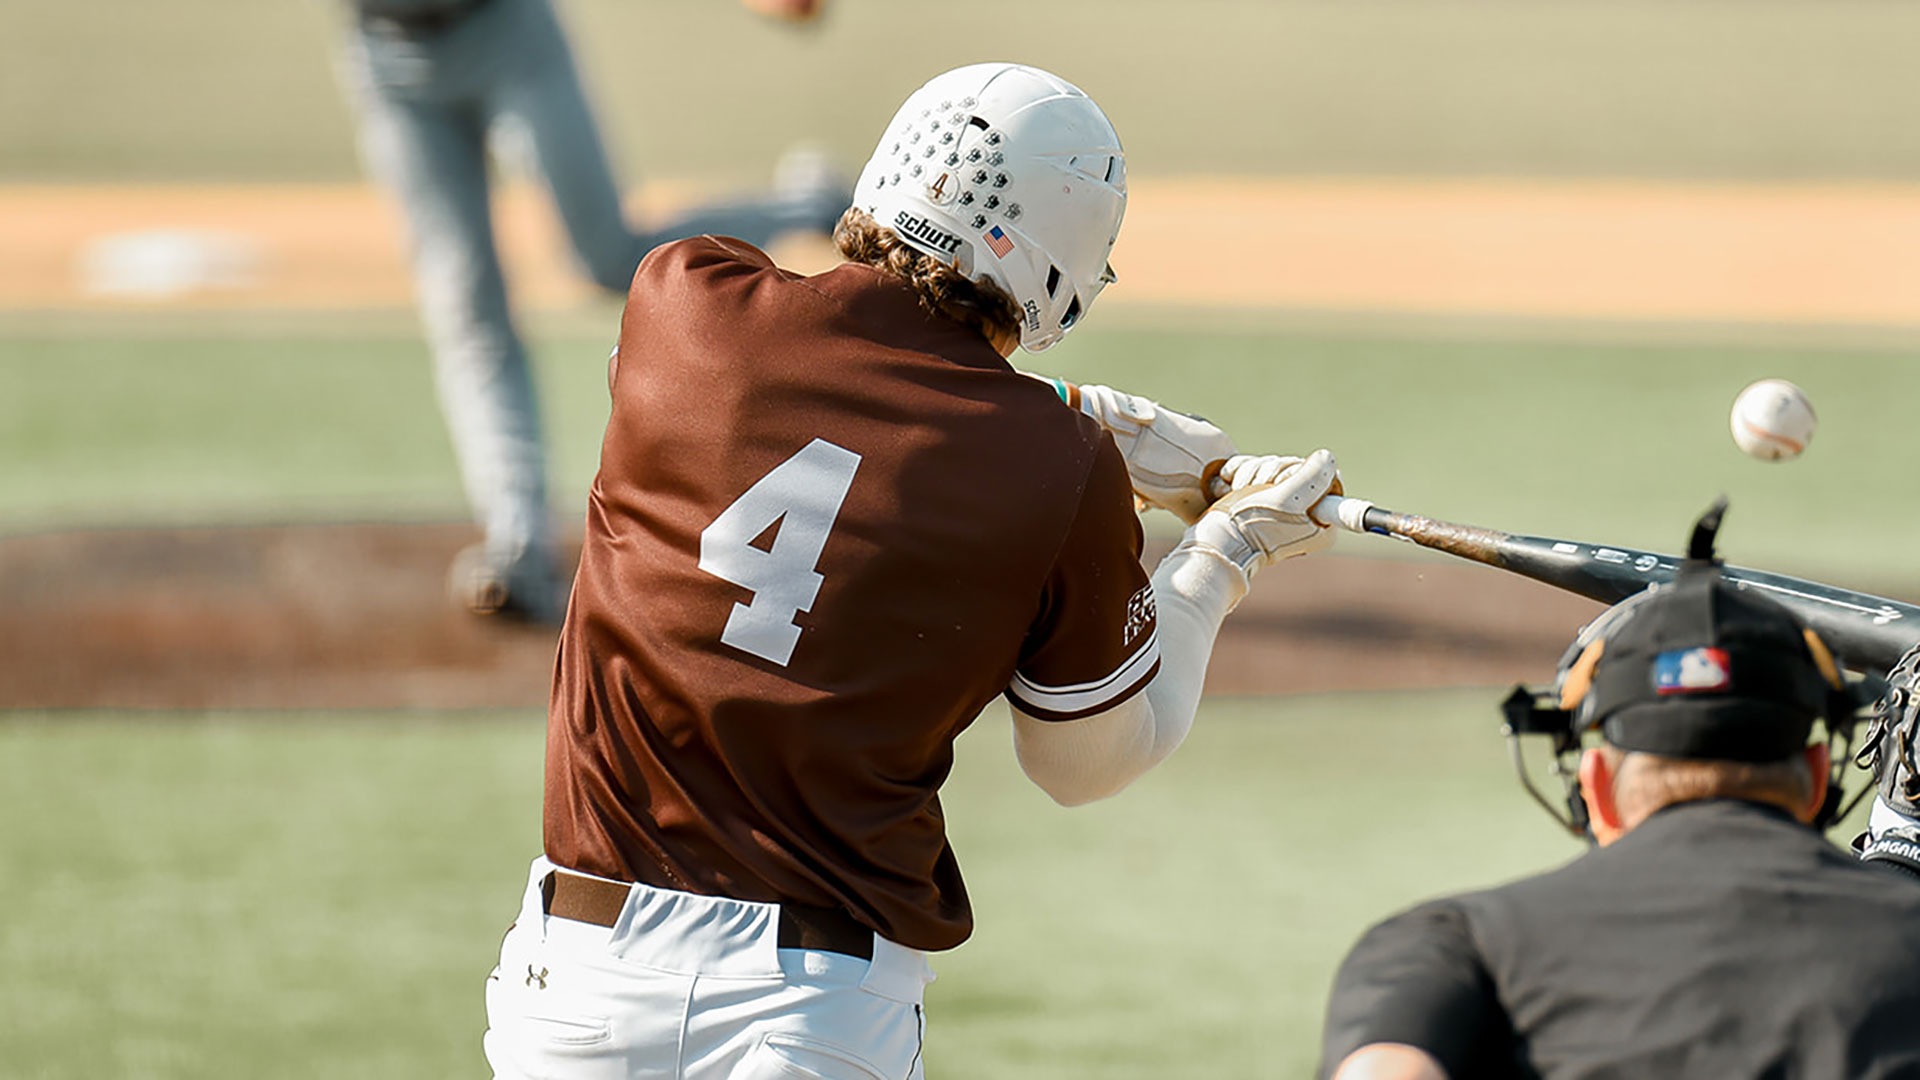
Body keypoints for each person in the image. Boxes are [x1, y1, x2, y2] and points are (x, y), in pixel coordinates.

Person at [481, 62, 1342, 1078]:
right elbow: (1086, 762)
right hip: (812, 1011)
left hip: (573, 990)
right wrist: (1224, 552)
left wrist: (1086, 417)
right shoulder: (1056, 472)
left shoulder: (685, 299)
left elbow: (857, 397)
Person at [1319, 504, 1920, 1080]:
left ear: (1596, 789)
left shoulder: (1454, 948)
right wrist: (1902, 847)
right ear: (1818, 777)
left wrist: (1220, 572)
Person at [335, 0, 846, 622]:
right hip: (384, 54)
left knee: (606, 257)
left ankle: (806, 207)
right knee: (465, 303)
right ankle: (516, 542)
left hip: (504, 30)